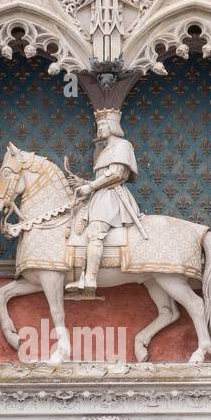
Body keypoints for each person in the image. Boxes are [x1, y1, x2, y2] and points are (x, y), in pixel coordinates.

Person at [65, 109, 149, 296]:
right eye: (99, 125)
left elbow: (118, 173)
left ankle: (90, 279)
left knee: (95, 232)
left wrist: (91, 186)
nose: (99, 129)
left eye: (103, 125)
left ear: (113, 126)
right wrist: (83, 183)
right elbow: (103, 177)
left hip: (113, 197)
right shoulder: (106, 150)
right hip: (100, 195)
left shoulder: (123, 145)